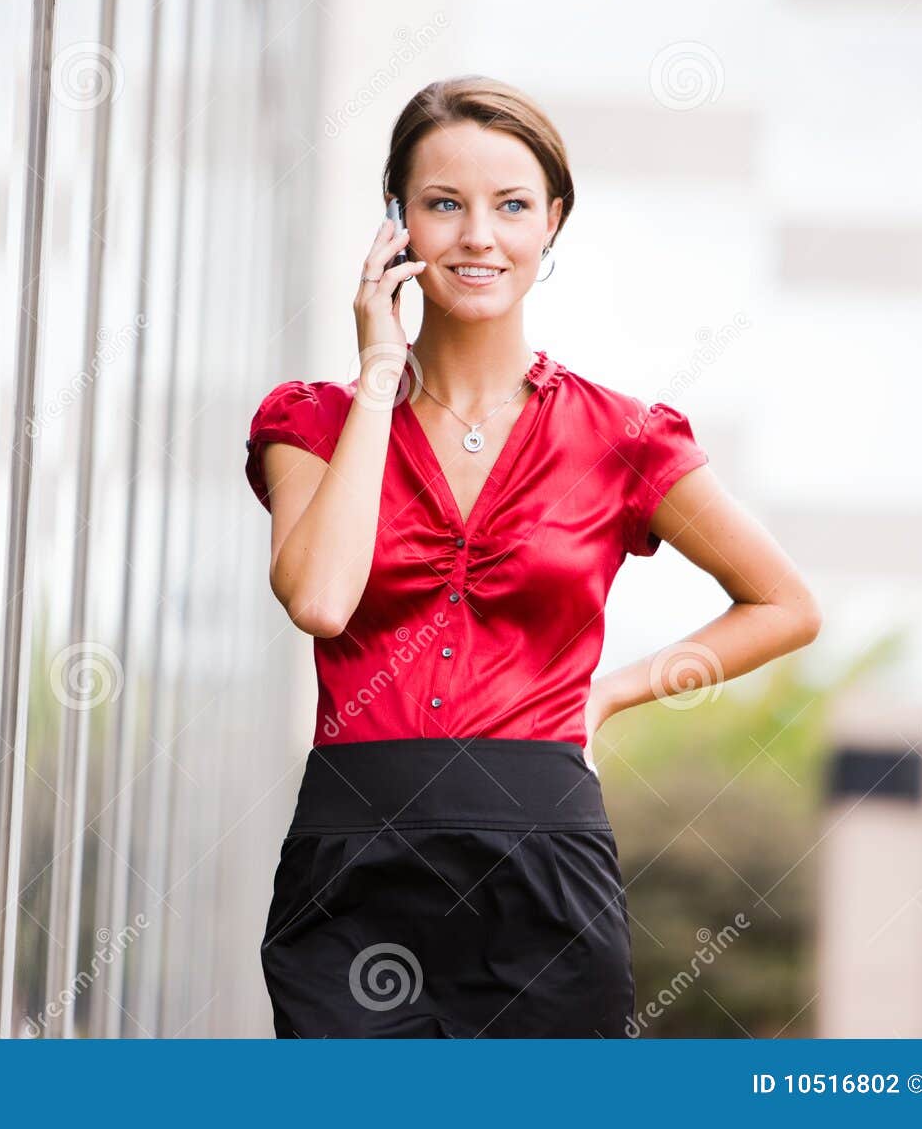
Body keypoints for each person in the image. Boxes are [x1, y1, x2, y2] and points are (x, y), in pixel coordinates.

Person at [244, 76, 821, 1038]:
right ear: (397, 223)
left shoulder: (623, 436)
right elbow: (319, 600)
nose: (479, 236)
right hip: (352, 859)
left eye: (512, 205)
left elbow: (784, 603)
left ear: (552, 223)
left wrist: (611, 692)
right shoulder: (315, 422)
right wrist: (381, 375)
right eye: (443, 204)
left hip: (545, 866)